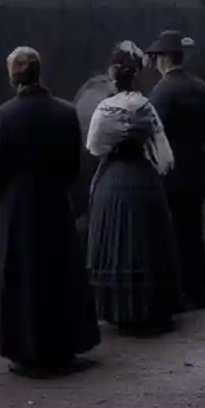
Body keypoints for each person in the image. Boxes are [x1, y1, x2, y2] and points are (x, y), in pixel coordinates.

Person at [0, 46, 100, 377]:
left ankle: (28, 351)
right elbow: (76, 164)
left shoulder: (3, 116)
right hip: (54, 202)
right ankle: (64, 346)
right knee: (58, 274)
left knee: (24, 278)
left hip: (17, 208)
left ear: (13, 77)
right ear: (40, 71)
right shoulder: (65, 112)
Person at [85, 41, 182, 333]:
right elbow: (164, 155)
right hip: (143, 180)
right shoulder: (145, 106)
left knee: (114, 240)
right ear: (136, 75)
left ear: (113, 76)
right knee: (146, 241)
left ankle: (119, 310)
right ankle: (150, 307)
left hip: (113, 180)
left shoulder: (104, 109)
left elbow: (93, 146)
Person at [146, 29, 205, 310]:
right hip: (196, 172)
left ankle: (185, 292)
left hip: (171, 174)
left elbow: (155, 133)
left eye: (156, 57)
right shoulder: (201, 87)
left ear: (164, 58)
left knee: (176, 234)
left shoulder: (162, 91)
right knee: (194, 233)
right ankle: (201, 291)